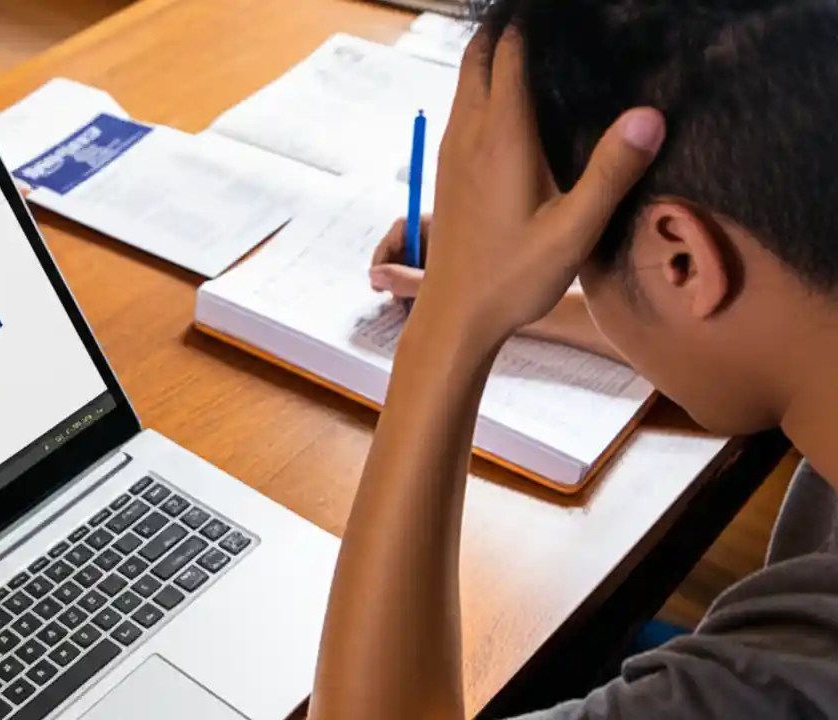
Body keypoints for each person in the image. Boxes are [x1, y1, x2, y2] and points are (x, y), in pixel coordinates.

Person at [309, 1, 838, 718]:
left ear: (679, 257)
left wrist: (452, 322)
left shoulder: (772, 684)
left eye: (577, 238)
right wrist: (503, 282)